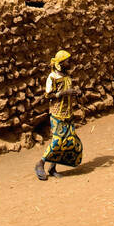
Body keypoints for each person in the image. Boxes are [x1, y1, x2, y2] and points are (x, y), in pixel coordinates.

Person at [35, 50, 83, 181]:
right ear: (61, 63)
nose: (70, 63)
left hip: (68, 113)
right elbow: (48, 95)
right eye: (67, 61)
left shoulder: (67, 76)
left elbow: (69, 92)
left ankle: (52, 168)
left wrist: (76, 92)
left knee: (67, 141)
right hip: (57, 113)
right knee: (57, 141)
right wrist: (64, 93)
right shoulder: (52, 77)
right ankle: (40, 163)